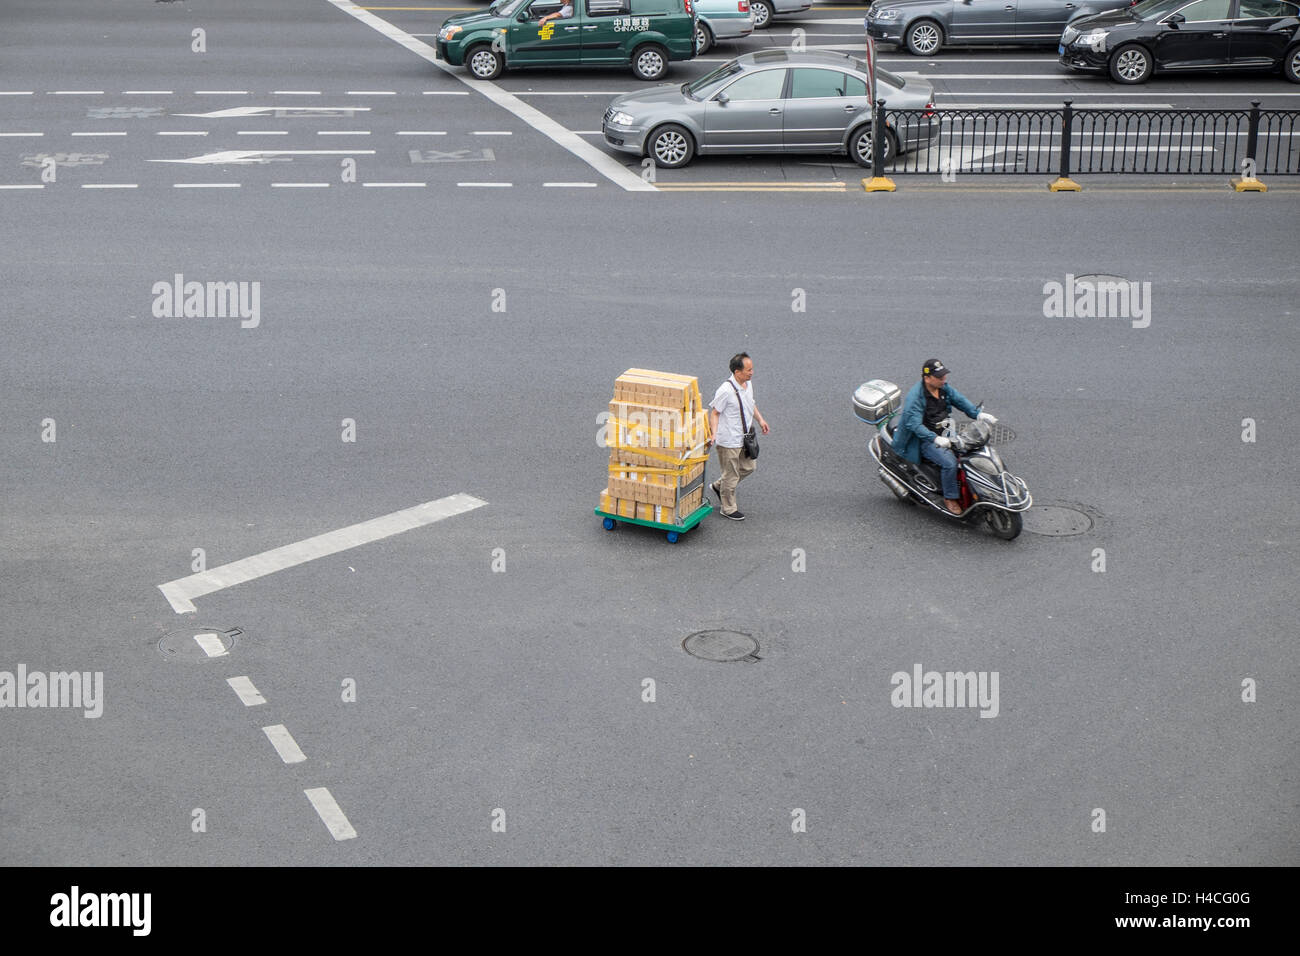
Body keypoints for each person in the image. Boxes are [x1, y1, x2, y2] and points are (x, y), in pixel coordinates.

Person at [891, 359, 997, 515]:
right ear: (927, 378)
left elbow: (959, 400)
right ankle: (950, 497)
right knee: (949, 463)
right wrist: (934, 439)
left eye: (944, 376)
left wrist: (978, 414)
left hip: (946, 432)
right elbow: (915, 426)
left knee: (973, 452)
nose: (944, 379)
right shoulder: (915, 399)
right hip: (925, 439)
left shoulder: (942, 388)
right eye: (939, 377)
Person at [706, 352, 770, 521]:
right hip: (729, 440)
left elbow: (751, 404)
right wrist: (714, 434)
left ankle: (720, 486)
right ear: (737, 372)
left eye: (752, 369)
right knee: (731, 474)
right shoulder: (725, 391)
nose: (752, 372)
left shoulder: (748, 384)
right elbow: (715, 413)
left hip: (744, 436)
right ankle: (728, 508)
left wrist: (761, 419)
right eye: (748, 370)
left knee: (749, 467)